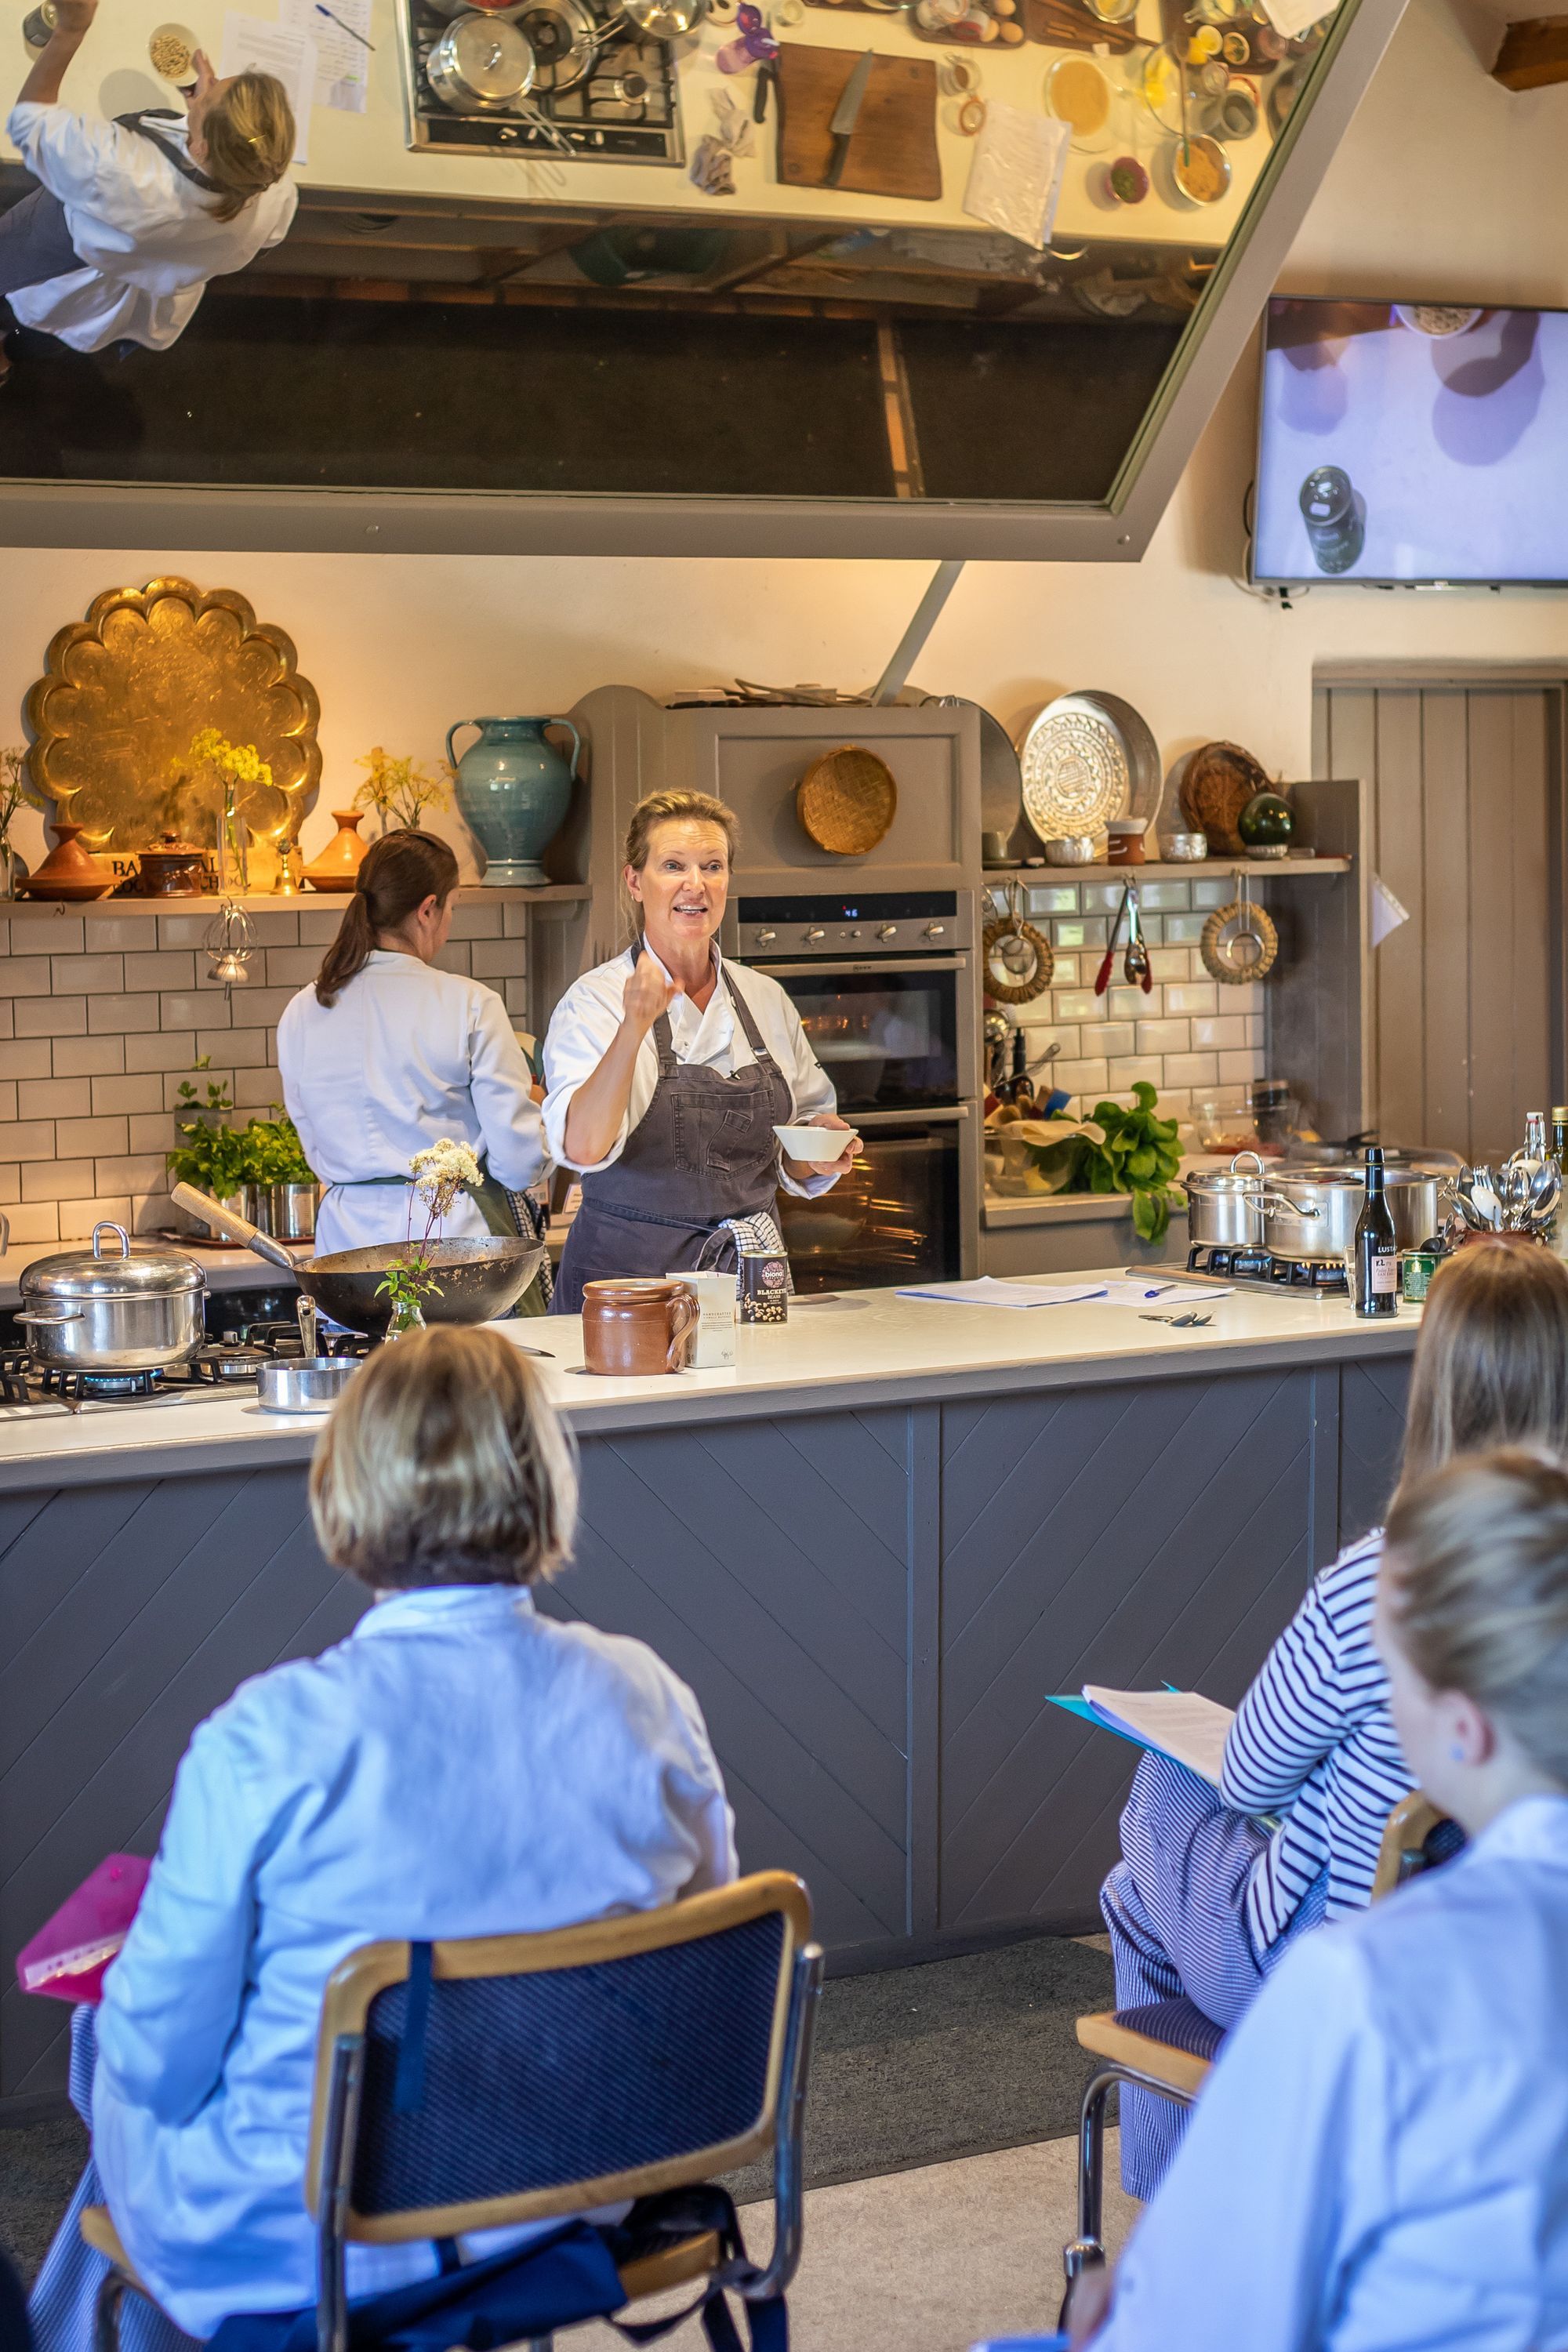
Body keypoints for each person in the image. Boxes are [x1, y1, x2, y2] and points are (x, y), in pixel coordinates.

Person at [28, 1325, 735, 2350]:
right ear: (544, 1482)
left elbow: (163, 2068)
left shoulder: (264, 1737)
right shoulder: (645, 1692)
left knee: (116, 2050)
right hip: (571, 2192)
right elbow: (697, 1960)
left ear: (343, 1487)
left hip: (313, 2238)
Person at [1070, 1444, 1568, 2350]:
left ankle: (1158, 2206)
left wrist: (1112, 2316)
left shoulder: (1358, 1989)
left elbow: (1199, 2331)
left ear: (1461, 1731)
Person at [1101, 1240, 1568, 2194]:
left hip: (1344, 1959)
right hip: (1520, 1964)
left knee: (1155, 1806)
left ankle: (1177, 2229)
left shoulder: (1378, 1581)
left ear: (1434, 1380)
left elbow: (1247, 1778)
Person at [542, 789, 855, 1314]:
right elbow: (583, 1148)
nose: (696, 885)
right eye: (673, 865)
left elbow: (794, 1150)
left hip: (751, 1282)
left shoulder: (764, 998)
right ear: (635, 882)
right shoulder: (593, 1002)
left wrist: (820, 1146)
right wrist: (634, 1025)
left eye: (713, 866)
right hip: (629, 1295)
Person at [277, 829, 548, 1272]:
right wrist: (542, 1114)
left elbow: (314, 1143)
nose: (447, 923)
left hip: (343, 1247)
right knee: (449, 1348)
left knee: (354, 1347)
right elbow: (518, 1164)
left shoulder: (303, 1010)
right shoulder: (470, 1003)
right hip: (450, 1244)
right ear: (427, 909)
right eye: (452, 908)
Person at [0, 0, 296, 380]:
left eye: (209, 97)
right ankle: (12, 357)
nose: (207, 84)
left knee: (21, 296)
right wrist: (204, 113)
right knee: (69, 328)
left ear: (203, 148)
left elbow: (31, 125)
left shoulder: (130, 177)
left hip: (63, 261)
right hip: (125, 293)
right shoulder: (270, 185)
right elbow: (266, 231)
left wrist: (71, 30)